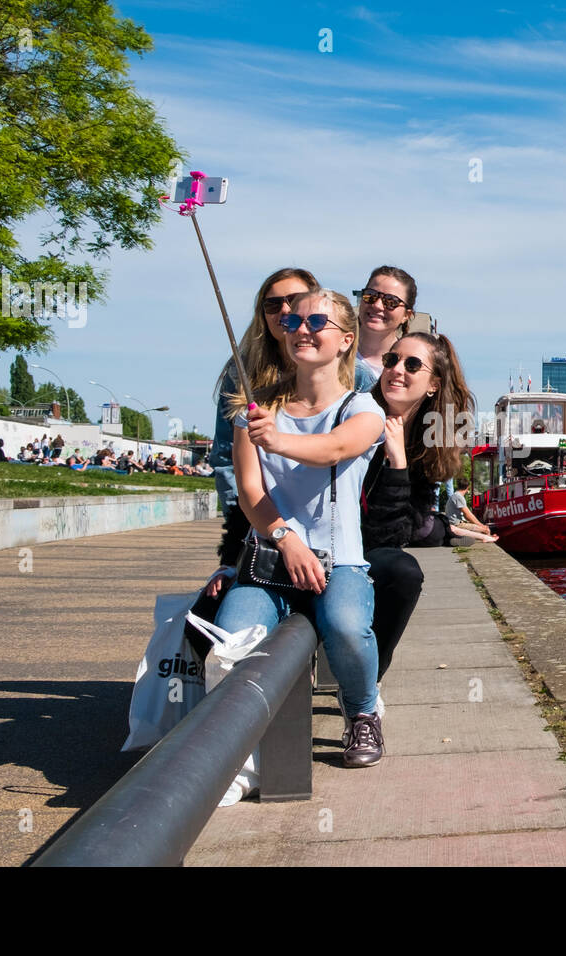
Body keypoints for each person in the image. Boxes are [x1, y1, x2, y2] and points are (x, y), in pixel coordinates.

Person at [214, 288, 386, 771]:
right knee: (234, 640)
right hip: (270, 556)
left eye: (316, 322)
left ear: (346, 340)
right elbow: (250, 491)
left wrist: (278, 439)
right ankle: (242, 746)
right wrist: (285, 539)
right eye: (292, 323)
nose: (301, 330)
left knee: (348, 628)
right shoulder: (254, 407)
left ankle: (362, 712)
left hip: (340, 559)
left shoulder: (363, 408)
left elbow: (333, 449)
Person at [360, 331, 491, 681]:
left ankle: (367, 686)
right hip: (330, 543)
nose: (397, 369)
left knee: (404, 572)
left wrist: (399, 463)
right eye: (391, 360)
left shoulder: (425, 440)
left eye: (412, 364)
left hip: (368, 545)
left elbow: (398, 532)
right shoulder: (359, 416)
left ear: (433, 384)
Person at [204, 267, 320, 600]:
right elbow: (227, 459)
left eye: (295, 301)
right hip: (263, 525)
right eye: (272, 305)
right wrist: (234, 544)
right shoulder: (241, 371)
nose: (284, 310)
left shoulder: (347, 368)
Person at [353, 265, 416, 390]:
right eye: (370, 296)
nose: (377, 305)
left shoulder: (412, 366)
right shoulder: (334, 353)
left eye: (391, 302)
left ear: (406, 315)